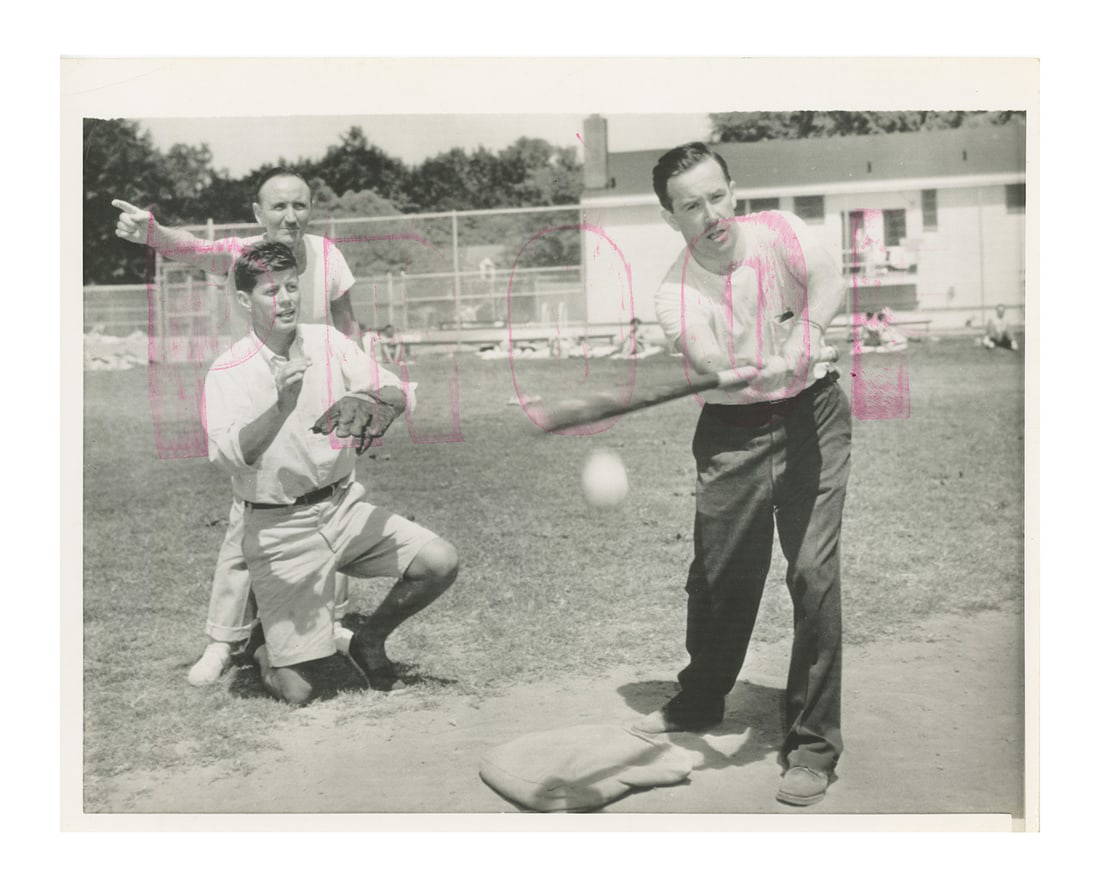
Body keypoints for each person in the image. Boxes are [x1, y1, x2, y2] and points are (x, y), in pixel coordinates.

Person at [634, 143, 851, 808]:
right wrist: (746, 366)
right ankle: (703, 694)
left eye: (718, 195)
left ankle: (813, 744)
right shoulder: (675, 290)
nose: (712, 214)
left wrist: (806, 334)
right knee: (722, 574)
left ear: (734, 188)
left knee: (813, 573)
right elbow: (702, 353)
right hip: (733, 430)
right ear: (671, 216)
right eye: (692, 205)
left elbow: (831, 285)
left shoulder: (784, 232)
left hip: (814, 414)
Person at [113, 172, 364, 686]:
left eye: (299, 205)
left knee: (330, 504)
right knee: (250, 516)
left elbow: (348, 323)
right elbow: (195, 249)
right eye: (278, 207)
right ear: (257, 212)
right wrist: (154, 232)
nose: (289, 216)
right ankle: (222, 641)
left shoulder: (327, 254)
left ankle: (330, 622)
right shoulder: (242, 252)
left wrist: (358, 385)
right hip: (259, 394)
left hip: (321, 396)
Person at [203, 241, 458, 704]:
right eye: (269, 291)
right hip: (280, 527)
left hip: (343, 508)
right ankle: (263, 649)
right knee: (298, 691)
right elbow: (228, 456)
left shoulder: (326, 340)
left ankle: (368, 639)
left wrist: (374, 401)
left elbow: (399, 391)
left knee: (439, 561)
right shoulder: (228, 370)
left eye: (291, 287)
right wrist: (282, 405)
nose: (285, 299)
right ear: (245, 301)